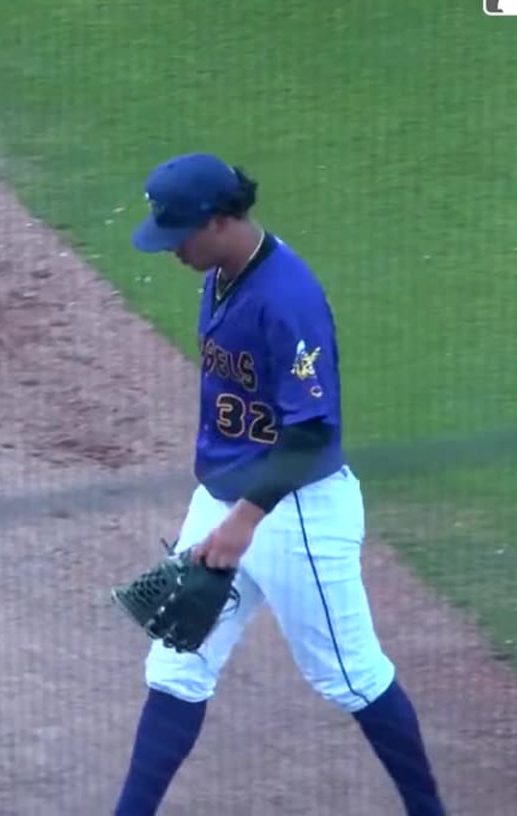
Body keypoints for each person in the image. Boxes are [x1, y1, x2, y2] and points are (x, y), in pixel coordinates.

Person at [113, 153, 447, 815]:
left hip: (294, 513)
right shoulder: (221, 272)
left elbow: (311, 430)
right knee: (178, 665)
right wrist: (223, 510)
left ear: (218, 221)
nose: (172, 247)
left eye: (180, 233)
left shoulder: (287, 300)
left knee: (350, 675)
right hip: (225, 499)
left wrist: (243, 522)